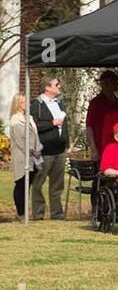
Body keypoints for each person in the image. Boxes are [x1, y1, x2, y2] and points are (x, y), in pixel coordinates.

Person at [31, 75, 68, 220]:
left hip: (59, 150)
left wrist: (66, 140)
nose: (59, 87)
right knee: (38, 183)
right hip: (44, 150)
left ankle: (57, 214)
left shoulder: (59, 104)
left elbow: (64, 124)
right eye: (56, 84)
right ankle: (38, 214)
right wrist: (51, 123)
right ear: (47, 87)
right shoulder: (36, 105)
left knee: (57, 184)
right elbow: (34, 126)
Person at [10, 95, 41, 218]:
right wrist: (31, 150)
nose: (25, 104)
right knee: (21, 184)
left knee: (28, 184)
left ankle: (25, 212)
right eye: (22, 102)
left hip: (33, 156)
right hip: (22, 156)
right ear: (17, 104)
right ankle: (21, 213)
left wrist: (38, 149)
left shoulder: (30, 118)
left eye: (26, 102)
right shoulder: (15, 120)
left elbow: (35, 136)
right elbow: (20, 140)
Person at [85, 70, 118, 159]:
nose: (117, 84)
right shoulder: (96, 103)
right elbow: (89, 127)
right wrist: (94, 149)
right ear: (106, 84)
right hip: (103, 147)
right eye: (114, 82)